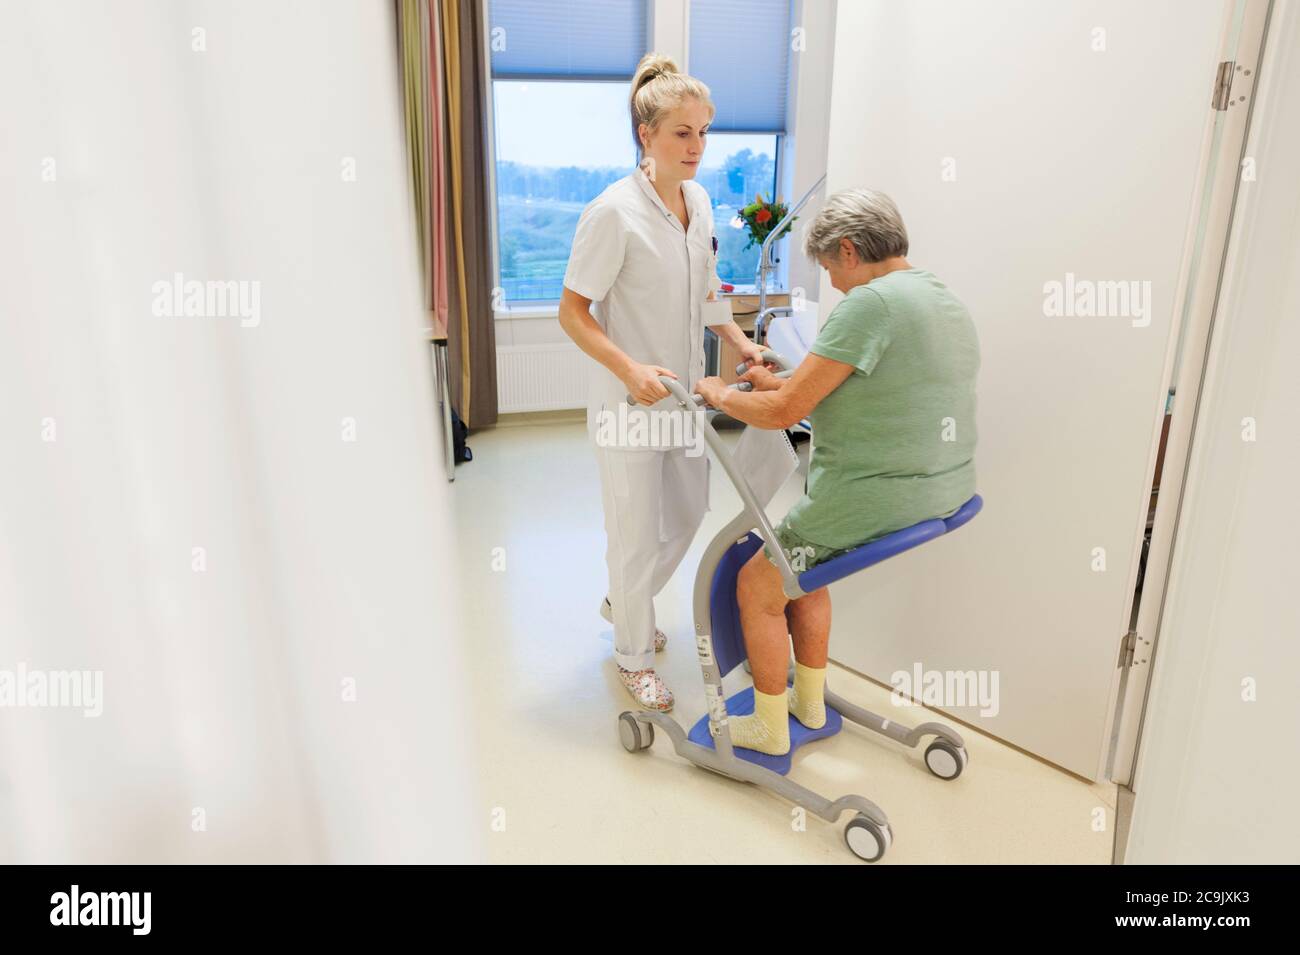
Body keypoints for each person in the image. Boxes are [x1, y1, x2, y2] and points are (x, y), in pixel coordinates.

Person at [693, 188, 980, 754]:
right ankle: (808, 701)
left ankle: (768, 729)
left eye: (829, 268)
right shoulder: (938, 295)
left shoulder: (869, 304)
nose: (834, 283)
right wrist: (781, 382)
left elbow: (782, 412)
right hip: (943, 489)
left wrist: (720, 394)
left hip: (877, 499)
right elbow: (872, 390)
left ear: (848, 250)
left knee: (759, 582)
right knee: (806, 571)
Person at [558, 53, 767, 711]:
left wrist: (741, 344)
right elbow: (573, 312)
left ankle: (625, 600)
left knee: (685, 514)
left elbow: (706, 291)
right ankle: (633, 655)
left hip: (685, 398)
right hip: (628, 403)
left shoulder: (698, 202)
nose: (697, 146)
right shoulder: (613, 213)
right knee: (633, 534)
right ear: (646, 134)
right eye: (682, 132)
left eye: (703, 132)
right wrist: (629, 368)